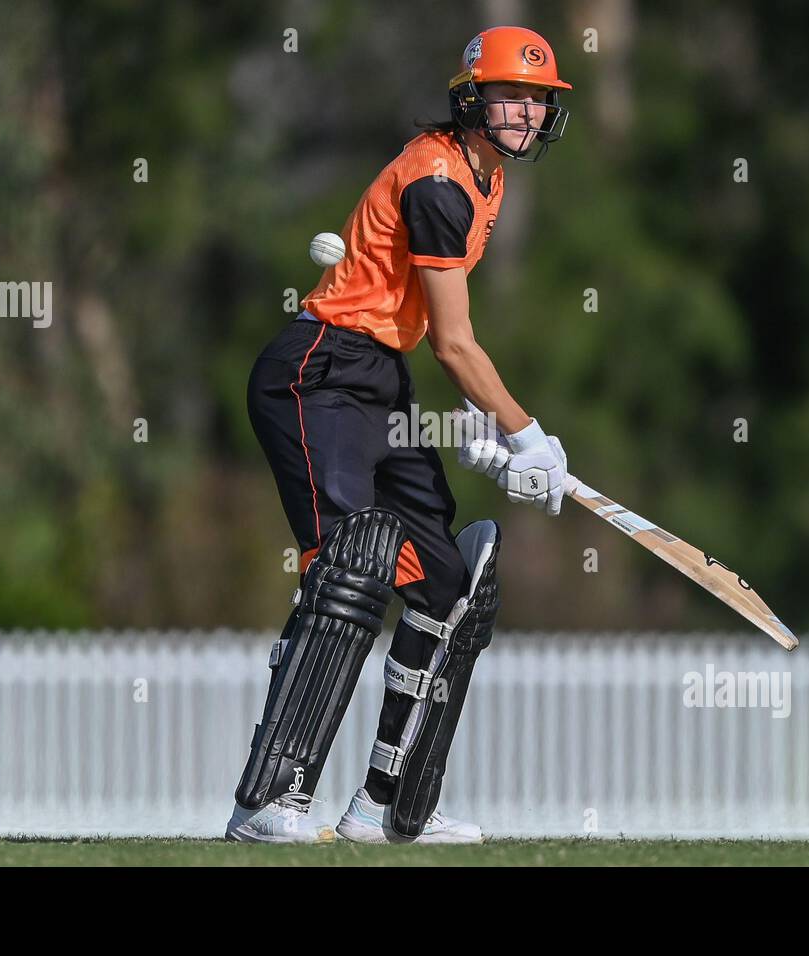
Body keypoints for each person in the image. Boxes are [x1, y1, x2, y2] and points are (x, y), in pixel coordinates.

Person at [227, 25, 575, 845]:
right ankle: (268, 799)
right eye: (510, 96)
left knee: (449, 585)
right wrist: (528, 435)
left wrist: (478, 428)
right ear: (471, 101)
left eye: (537, 99)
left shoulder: (489, 185)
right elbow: (456, 342)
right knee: (349, 570)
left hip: (380, 378)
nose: (526, 112)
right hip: (316, 372)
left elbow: (423, 332)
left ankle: (383, 805)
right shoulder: (440, 183)